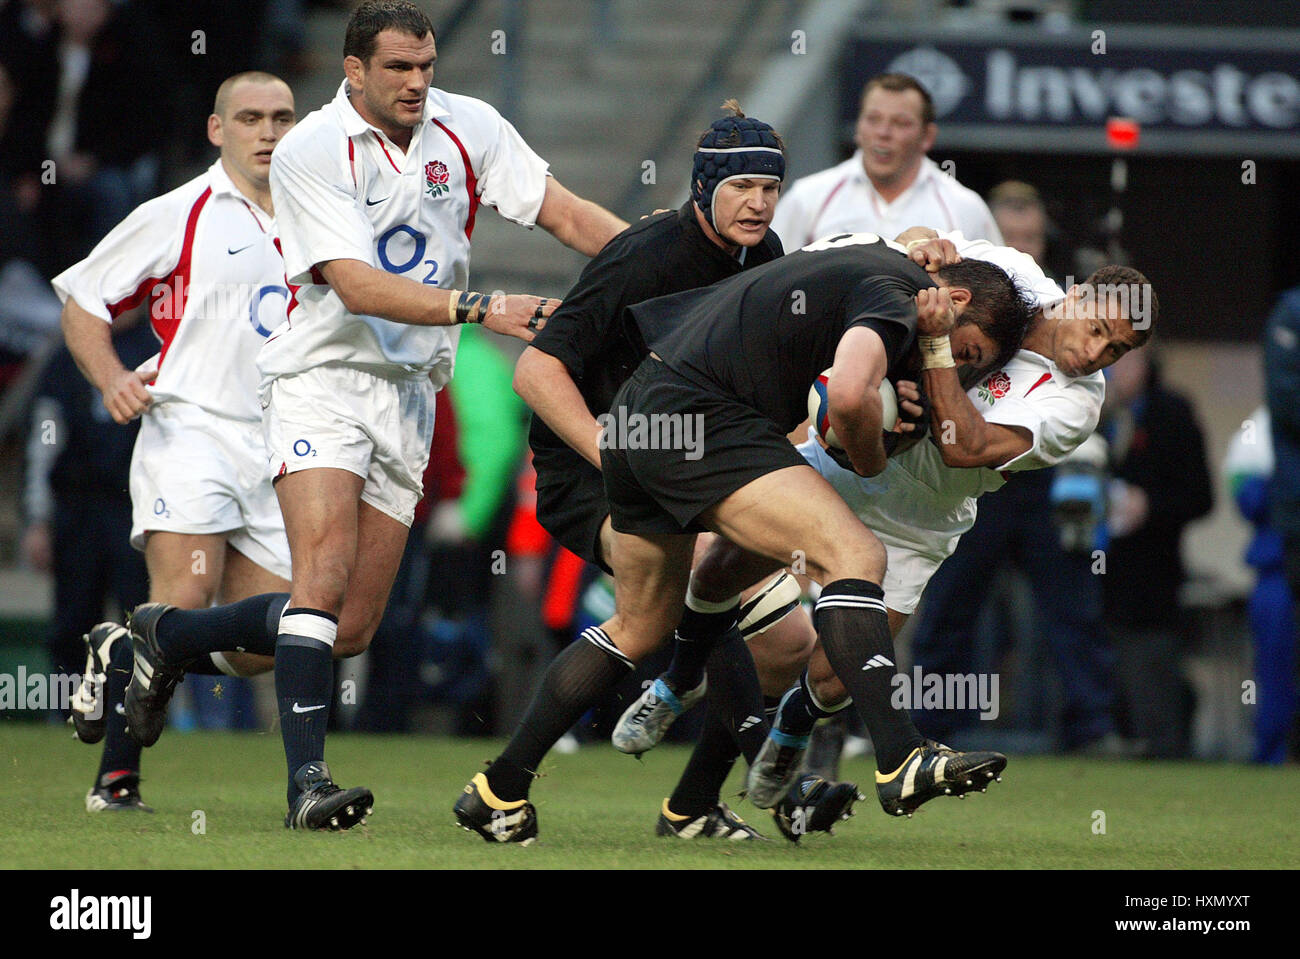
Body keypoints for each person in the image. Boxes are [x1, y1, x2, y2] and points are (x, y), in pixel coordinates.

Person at [117, 0, 626, 831]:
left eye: (426, 66)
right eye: (399, 68)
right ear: (354, 70)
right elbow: (355, 285)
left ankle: (166, 637)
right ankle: (308, 784)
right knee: (318, 579)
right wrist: (484, 306)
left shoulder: (470, 127)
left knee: (347, 626)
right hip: (322, 376)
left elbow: (565, 213)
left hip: (409, 394)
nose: (418, 82)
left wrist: (663, 260)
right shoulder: (313, 148)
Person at [453, 230, 1037, 843]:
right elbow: (844, 392)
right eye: (964, 352)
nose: (952, 364)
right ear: (955, 298)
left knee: (640, 625)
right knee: (857, 555)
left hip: (642, 420)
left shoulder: (859, 257)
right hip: (703, 422)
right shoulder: (902, 294)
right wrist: (871, 455)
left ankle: (499, 789)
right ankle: (900, 756)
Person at [620, 234, 1154, 824]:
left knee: (833, 679)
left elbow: (964, 446)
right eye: (1098, 329)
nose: (1095, 354)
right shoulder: (1014, 271)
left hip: (921, 519)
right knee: (721, 567)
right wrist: (921, 247)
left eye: (1116, 351)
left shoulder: (1078, 404)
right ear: (1076, 296)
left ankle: (795, 722)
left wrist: (932, 352)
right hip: (850, 461)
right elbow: (903, 264)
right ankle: (678, 678)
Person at [510, 101, 854, 840]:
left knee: (788, 645)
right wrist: (611, 450)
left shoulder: (765, 261)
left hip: (689, 465)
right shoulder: (643, 255)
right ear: (703, 187)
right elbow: (536, 371)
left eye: (770, 186)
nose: (759, 201)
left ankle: (690, 799)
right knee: (686, 589)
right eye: (740, 186)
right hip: (592, 471)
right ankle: (771, 775)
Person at [51, 71, 299, 812]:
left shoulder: (322, 214)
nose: (268, 132)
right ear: (217, 130)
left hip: (283, 443)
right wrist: (109, 378)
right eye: (250, 117)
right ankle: (117, 782)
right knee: (181, 594)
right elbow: (84, 299)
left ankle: (123, 650)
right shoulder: (180, 210)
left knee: (267, 638)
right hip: (190, 428)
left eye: (282, 118)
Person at [907, 183, 1117, 753]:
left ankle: (1091, 725)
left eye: (1031, 231)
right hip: (959, 485)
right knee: (951, 602)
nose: (1022, 240)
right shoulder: (999, 273)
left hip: (1042, 480)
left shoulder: (1081, 327)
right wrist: (919, 249)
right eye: (1013, 231)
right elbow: (915, 249)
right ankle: (928, 727)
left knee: (1069, 605)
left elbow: (971, 443)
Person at [1100, 345, 1212, 758]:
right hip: (1088, 576)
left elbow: (1201, 497)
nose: (1115, 371)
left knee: (1153, 667)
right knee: (1098, 663)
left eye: (1126, 359)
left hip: (1152, 577)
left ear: (1148, 363)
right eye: (1108, 361)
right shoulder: (1084, 413)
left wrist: (1150, 506)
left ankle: (1166, 746)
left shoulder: (1172, 414)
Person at [769, 73, 1002, 249]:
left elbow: (1001, 292)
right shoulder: (808, 197)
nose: (883, 132)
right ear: (858, 127)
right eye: (873, 119)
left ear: (927, 136)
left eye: (900, 123)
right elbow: (770, 279)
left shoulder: (964, 207)